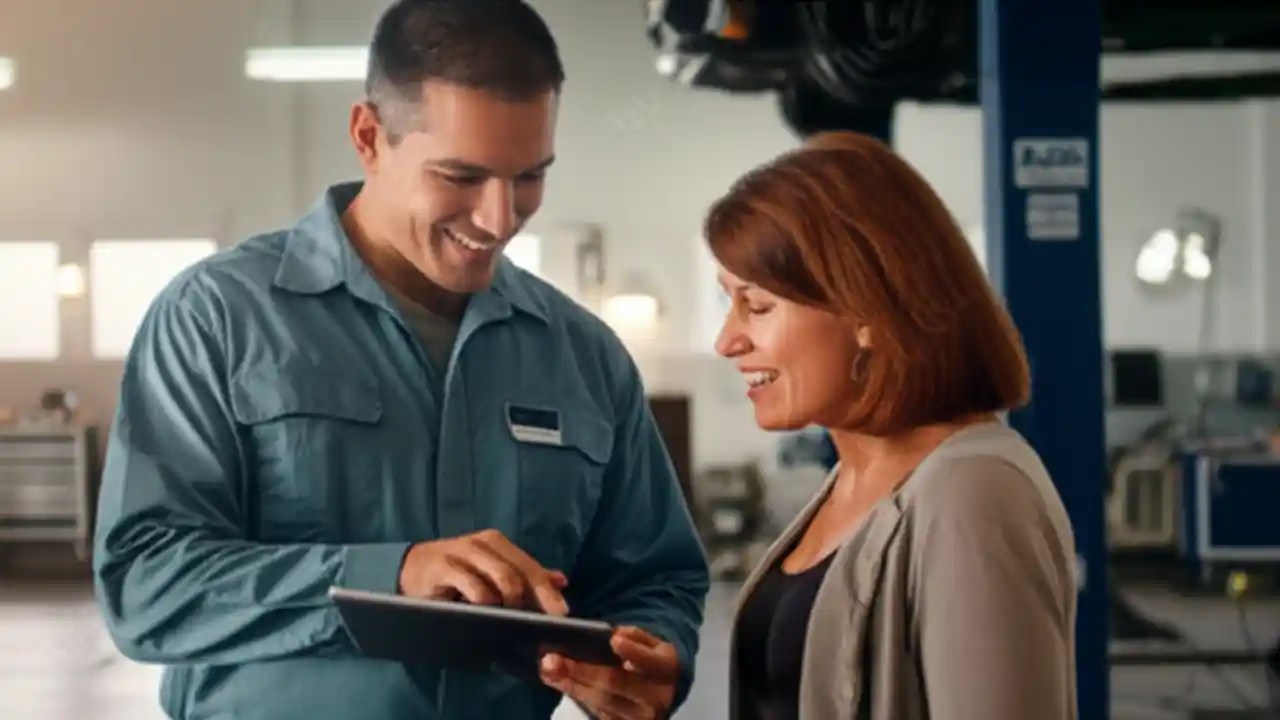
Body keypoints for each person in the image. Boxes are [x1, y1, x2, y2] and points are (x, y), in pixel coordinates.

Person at [92, 2, 709, 718]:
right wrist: (391, 575)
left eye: (530, 176)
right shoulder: (218, 319)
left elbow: (656, 579)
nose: (500, 218)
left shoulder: (583, 355)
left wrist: (656, 658)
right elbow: (145, 586)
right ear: (368, 136)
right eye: (460, 176)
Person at [706, 131, 1079, 720]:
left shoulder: (972, 493)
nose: (727, 340)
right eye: (727, 302)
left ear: (865, 313)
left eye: (757, 306)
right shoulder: (854, 478)